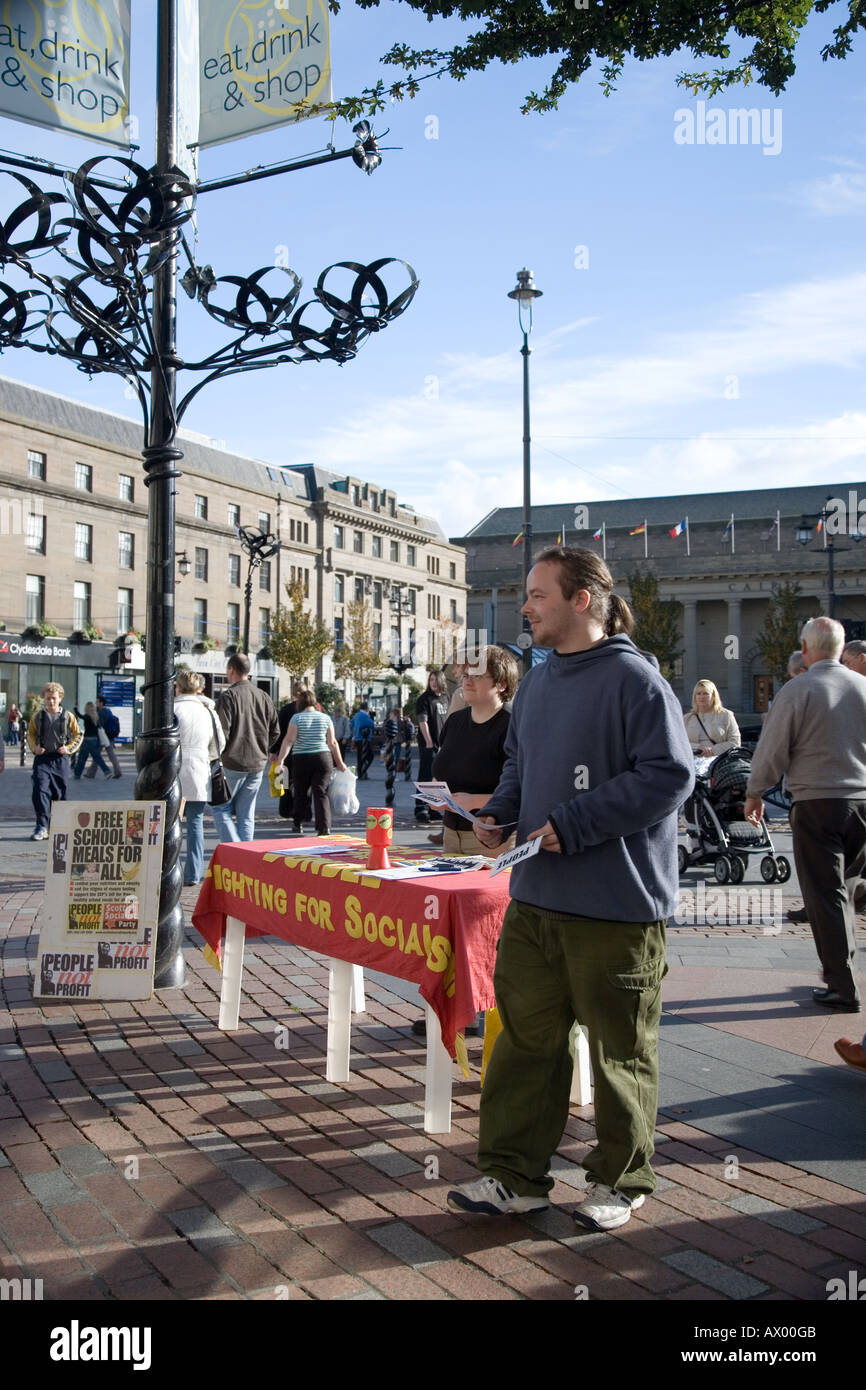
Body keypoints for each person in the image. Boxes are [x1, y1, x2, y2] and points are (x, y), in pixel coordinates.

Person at [445, 547, 694, 1231]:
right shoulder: (541, 683)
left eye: (537, 595)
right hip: (534, 901)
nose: (525, 607)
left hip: (617, 909)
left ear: (582, 599)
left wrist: (577, 822)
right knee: (524, 1045)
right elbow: (521, 764)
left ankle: (621, 1180)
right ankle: (513, 1177)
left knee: (620, 1055)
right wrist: (500, 812)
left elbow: (670, 776)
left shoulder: (636, 681)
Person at [744, 616, 866, 1012]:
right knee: (846, 887)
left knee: (824, 892)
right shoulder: (863, 686)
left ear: (807, 646)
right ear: (840, 646)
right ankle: (844, 969)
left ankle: (841, 983)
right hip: (862, 802)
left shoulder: (799, 689)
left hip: (817, 803)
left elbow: (773, 746)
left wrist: (755, 790)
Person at [432, 645, 519, 857]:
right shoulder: (455, 721)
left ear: (501, 684)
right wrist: (435, 794)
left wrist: (473, 801)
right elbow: (441, 769)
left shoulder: (513, 726)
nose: (467, 682)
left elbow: (524, 789)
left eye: (478, 675)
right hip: (451, 836)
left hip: (492, 839)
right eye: (466, 675)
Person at [212, 653, 279, 843]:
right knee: (246, 814)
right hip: (257, 764)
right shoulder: (264, 696)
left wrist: (218, 756)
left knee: (220, 808)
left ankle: (234, 849)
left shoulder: (229, 696)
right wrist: (263, 748)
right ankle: (245, 855)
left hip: (233, 761)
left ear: (231, 670)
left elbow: (221, 733)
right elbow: (275, 730)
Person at [174, 671, 225, 886]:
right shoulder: (208, 711)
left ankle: (170, 870)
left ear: (178, 687)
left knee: (171, 822)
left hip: (174, 768)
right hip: (199, 769)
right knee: (195, 822)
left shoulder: (173, 708)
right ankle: (193, 873)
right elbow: (220, 743)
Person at [274, 689, 347, 835]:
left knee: (300, 791)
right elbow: (332, 742)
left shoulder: (296, 718)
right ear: (314, 702)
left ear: (300, 703)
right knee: (321, 792)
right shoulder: (326, 718)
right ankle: (324, 827)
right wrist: (339, 763)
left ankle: (298, 823)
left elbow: (289, 740)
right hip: (323, 758)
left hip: (301, 758)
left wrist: (280, 760)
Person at [27, 683, 83, 840]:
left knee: (59, 793)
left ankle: (57, 826)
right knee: (40, 789)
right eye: (47, 698)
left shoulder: (68, 716)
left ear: (60, 698)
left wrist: (69, 749)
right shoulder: (37, 717)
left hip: (60, 759)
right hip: (42, 759)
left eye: (53, 698)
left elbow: (78, 735)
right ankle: (42, 826)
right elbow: (30, 735)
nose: (50, 702)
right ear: (44, 698)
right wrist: (35, 748)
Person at [414, 671, 448, 823]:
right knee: (426, 776)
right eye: (431, 680)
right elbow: (423, 721)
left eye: (435, 679)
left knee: (439, 779)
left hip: (444, 745)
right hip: (429, 745)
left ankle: (434, 808)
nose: (433, 682)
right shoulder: (424, 699)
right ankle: (420, 808)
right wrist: (428, 741)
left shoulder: (447, 697)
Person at [682, 680, 740, 756]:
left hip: (719, 761)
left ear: (713, 696)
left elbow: (735, 742)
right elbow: (679, 742)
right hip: (693, 760)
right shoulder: (687, 718)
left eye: (705, 693)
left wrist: (712, 750)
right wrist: (698, 748)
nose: (701, 697)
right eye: (698, 694)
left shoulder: (726, 715)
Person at [73, 701, 113, 780]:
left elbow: (80, 716)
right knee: (97, 757)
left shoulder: (87, 717)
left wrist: (75, 709)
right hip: (95, 740)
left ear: (87, 709)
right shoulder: (96, 717)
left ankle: (77, 774)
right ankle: (107, 771)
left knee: (82, 758)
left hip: (87, 740)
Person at [94, 696, 122, 778]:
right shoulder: (108, 711)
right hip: (110, 736)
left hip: (103, 737)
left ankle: (91, 772)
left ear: (101, 703)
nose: (96, 703)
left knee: (96, 755)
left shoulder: (101, 713)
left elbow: (99, 726)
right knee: (111, 755)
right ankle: (118, 771)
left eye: (97, 702)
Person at [350, 702, 375, 780]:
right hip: (364, 739)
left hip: (358, 738)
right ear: (367, 708)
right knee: (370, 756)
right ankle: (362, 770)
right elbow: (372, 724)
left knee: (360, 756)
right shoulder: (365, 716)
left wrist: (355, 731)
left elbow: (351, 724)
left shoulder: (356, 715)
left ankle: (361, 772)